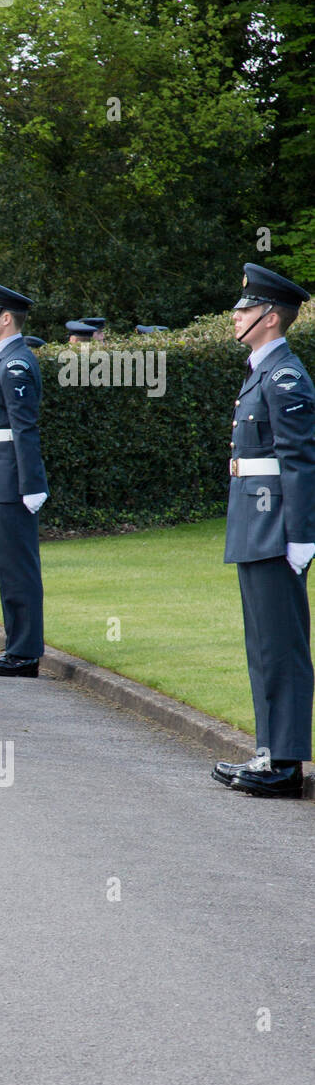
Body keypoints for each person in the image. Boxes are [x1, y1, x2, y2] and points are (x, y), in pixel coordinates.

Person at [212, 263, 315, 798]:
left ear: (270, 317)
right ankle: (270, 751)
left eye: (245, 309)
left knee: (282, 647)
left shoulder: (285, 376)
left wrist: (301, 535)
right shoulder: (261, 371)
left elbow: (299, 460)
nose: (236, 316)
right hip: (254, 521)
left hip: (275, 526)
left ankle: (286, 762)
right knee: (262, 645)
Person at [0, 280, 48, 676]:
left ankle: (25, 653)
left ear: (5, 318)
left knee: (18, 568)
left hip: (11, 480)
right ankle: (16, 646)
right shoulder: (4, 359)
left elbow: (24, 428)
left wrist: (32, 484)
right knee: (9, 567)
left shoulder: (16, 361)